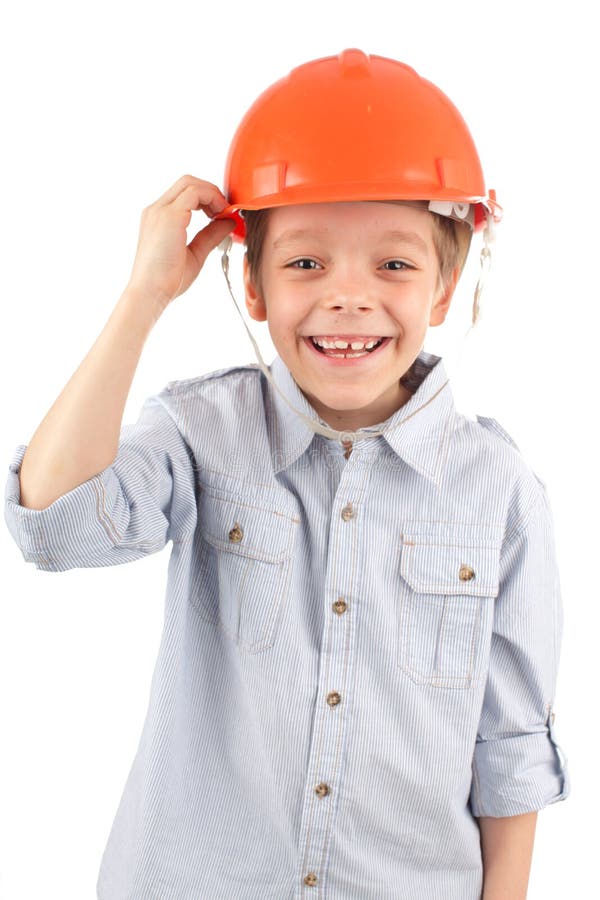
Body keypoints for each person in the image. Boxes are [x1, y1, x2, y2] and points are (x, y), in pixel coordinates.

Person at [4, 49, 570, 900]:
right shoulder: (202, 432)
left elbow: (512, 747)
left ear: (446, 289)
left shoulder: (502, 490)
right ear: (256, 286)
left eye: (395, 263)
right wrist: (143, 297)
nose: (349, 296)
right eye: (306, 262)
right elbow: (54, 525)